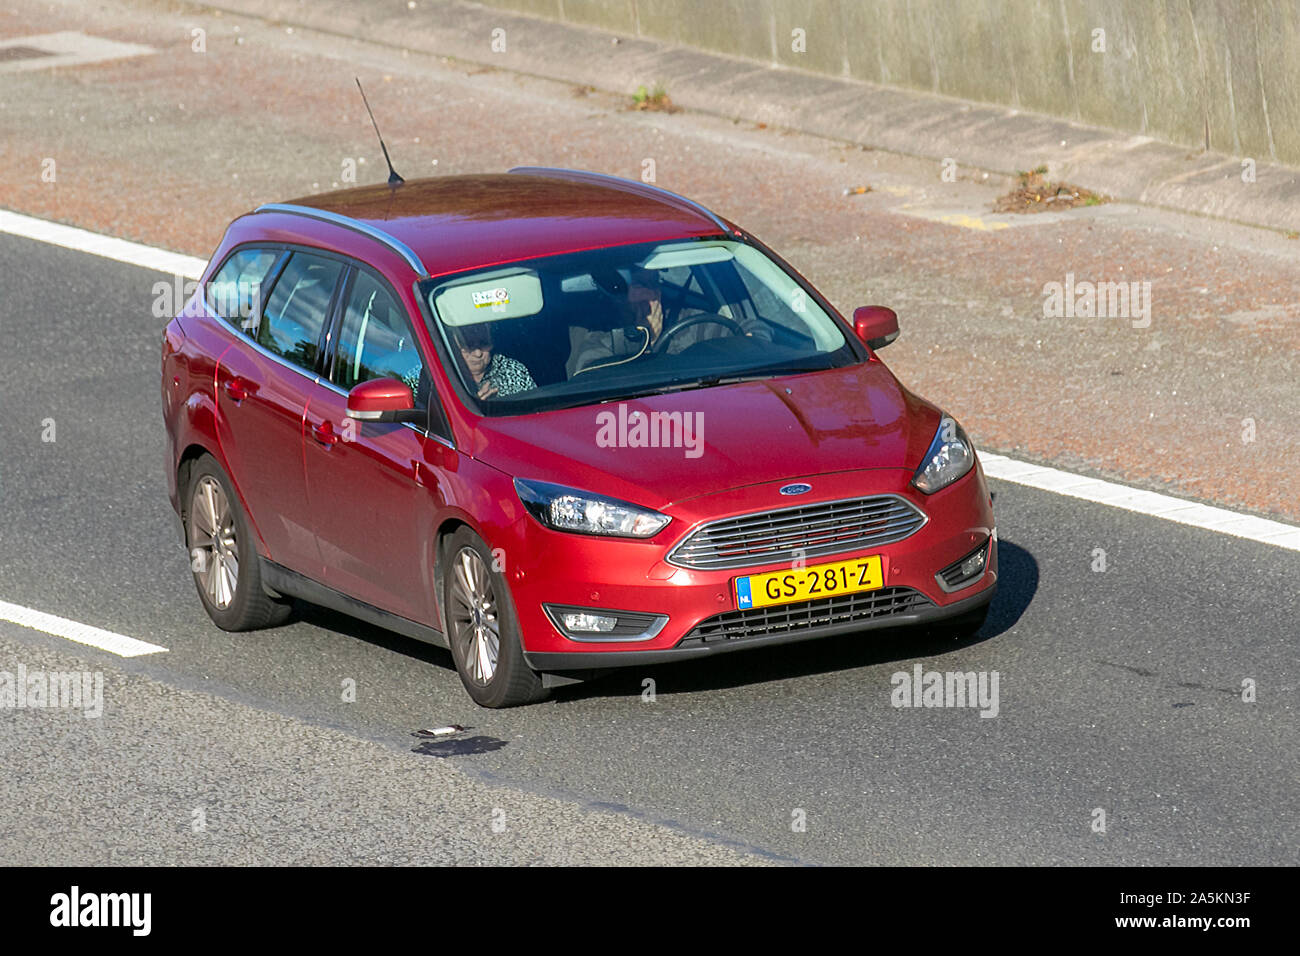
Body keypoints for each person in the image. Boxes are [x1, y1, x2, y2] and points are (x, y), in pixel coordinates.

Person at [571, 266, 769, 374]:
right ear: (618, 295)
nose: (653, 293)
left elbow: (753, 329)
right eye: (641, 285)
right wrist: (645, 342)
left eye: (655, 283)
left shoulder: (688, 323)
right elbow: (589, 377)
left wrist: (748, 343)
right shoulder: (599, 340)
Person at [453, 322, 536, 399]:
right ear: (454, 347)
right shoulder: (445, 377)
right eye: (469, 346)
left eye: (484, 344)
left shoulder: (511, 370)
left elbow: (532, 407)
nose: (478, 354)